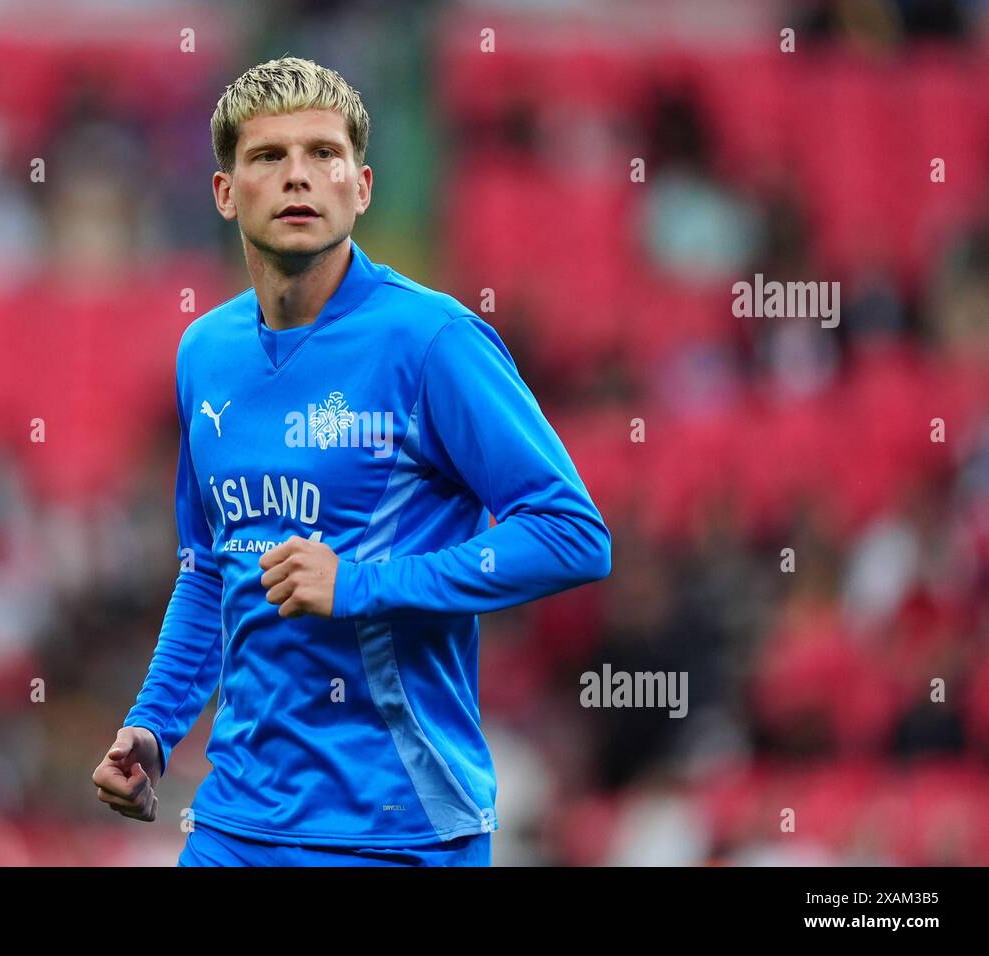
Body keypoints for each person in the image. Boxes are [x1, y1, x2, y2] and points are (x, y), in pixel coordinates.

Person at [91, 56, 611, 867]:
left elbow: (573, 534)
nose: (299, 175)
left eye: (323, 154)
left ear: (361, 187)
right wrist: (153, 724)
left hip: (398, 826)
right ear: (226, 192)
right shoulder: (205, 351)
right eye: (268, 156)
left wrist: (363, 585)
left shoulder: (432, 342)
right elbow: (206, 569)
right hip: (235, 823)